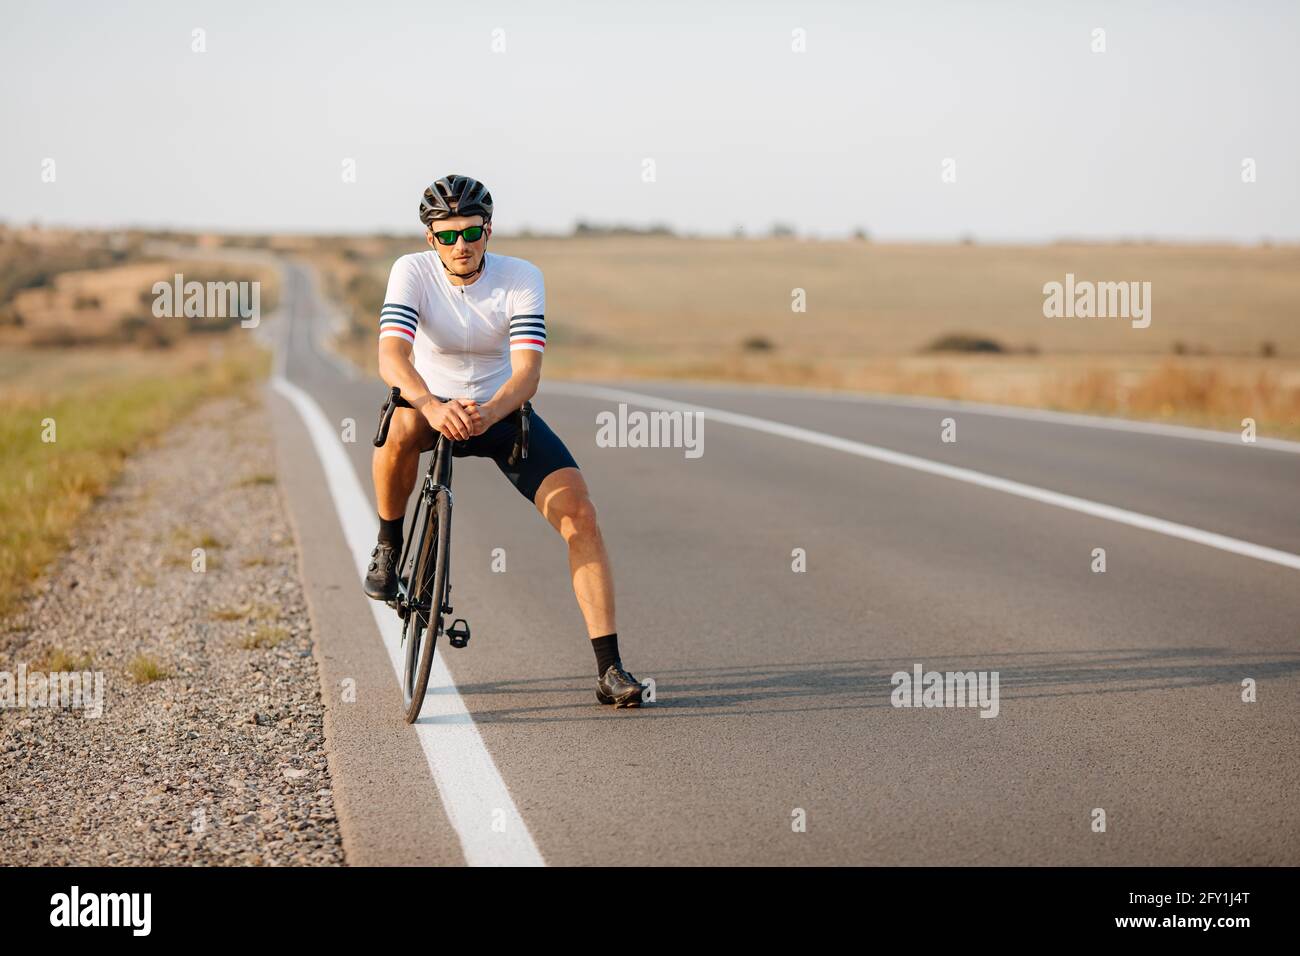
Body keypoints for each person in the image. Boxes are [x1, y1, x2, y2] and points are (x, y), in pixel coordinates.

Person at [362, 174, 643, 707]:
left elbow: (527, 373)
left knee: (580, 516)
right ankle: (388, 544)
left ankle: (610, 670)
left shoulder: (521, 278)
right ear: (431, 240)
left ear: (488, 231)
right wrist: (430, 405)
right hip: (429, 405)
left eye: (471, 233)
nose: (460, 246)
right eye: (447, 236)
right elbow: (392, 358)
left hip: (500, 411)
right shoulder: (411, 272)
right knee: (397, 425)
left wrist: (487, 412)